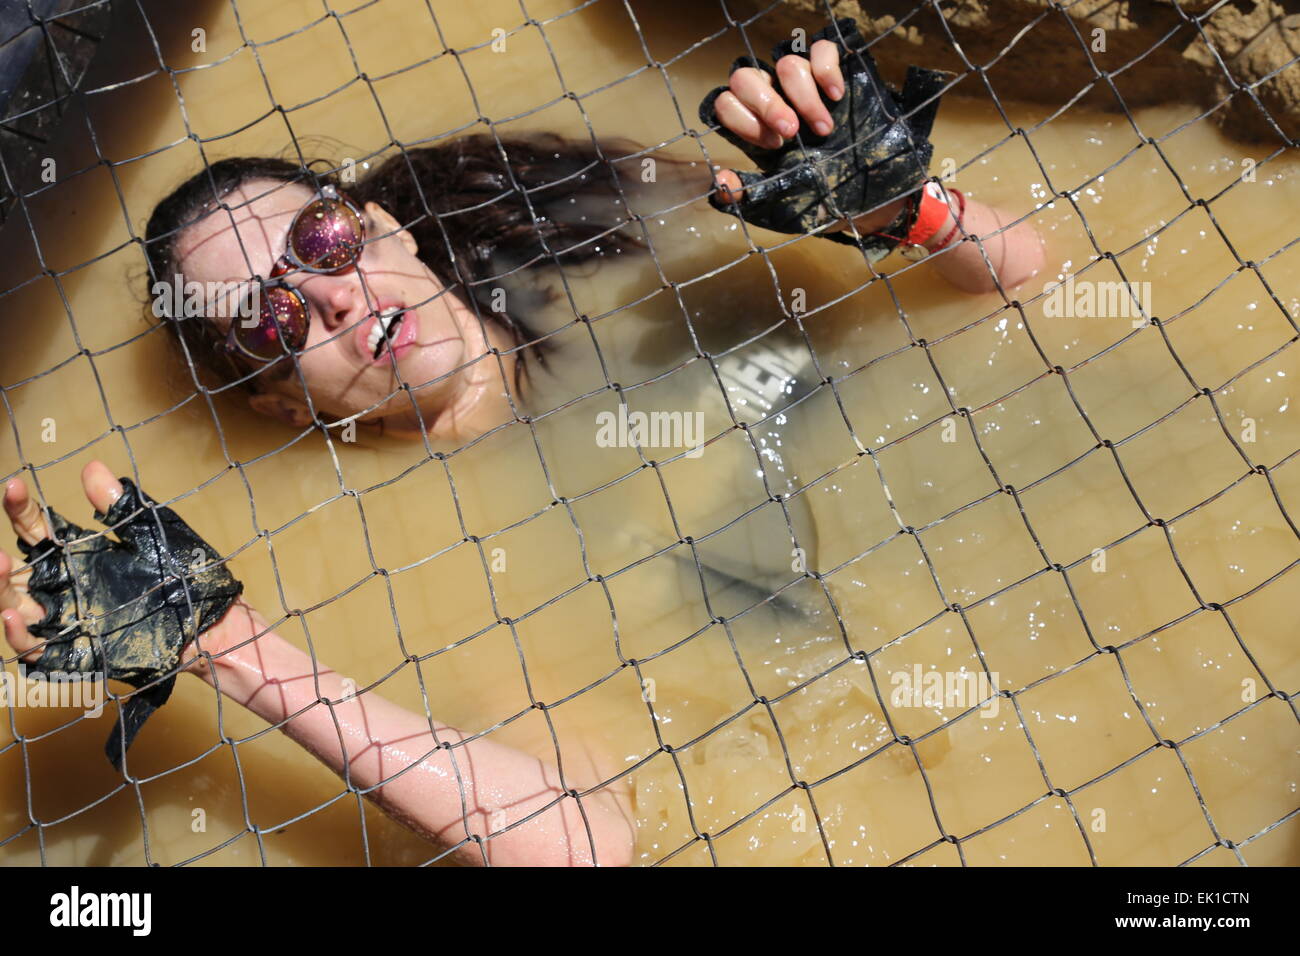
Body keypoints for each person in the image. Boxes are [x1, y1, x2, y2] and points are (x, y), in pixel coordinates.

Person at [2, 22, 1044, 865]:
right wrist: (231, 647)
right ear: (280, 404)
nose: (324, 294)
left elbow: (1029, 284)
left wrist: (911, 211)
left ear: (383, 226)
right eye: (265, 321)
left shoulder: (626, 244)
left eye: (317, 240)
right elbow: (580, 842)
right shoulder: (435, 568)